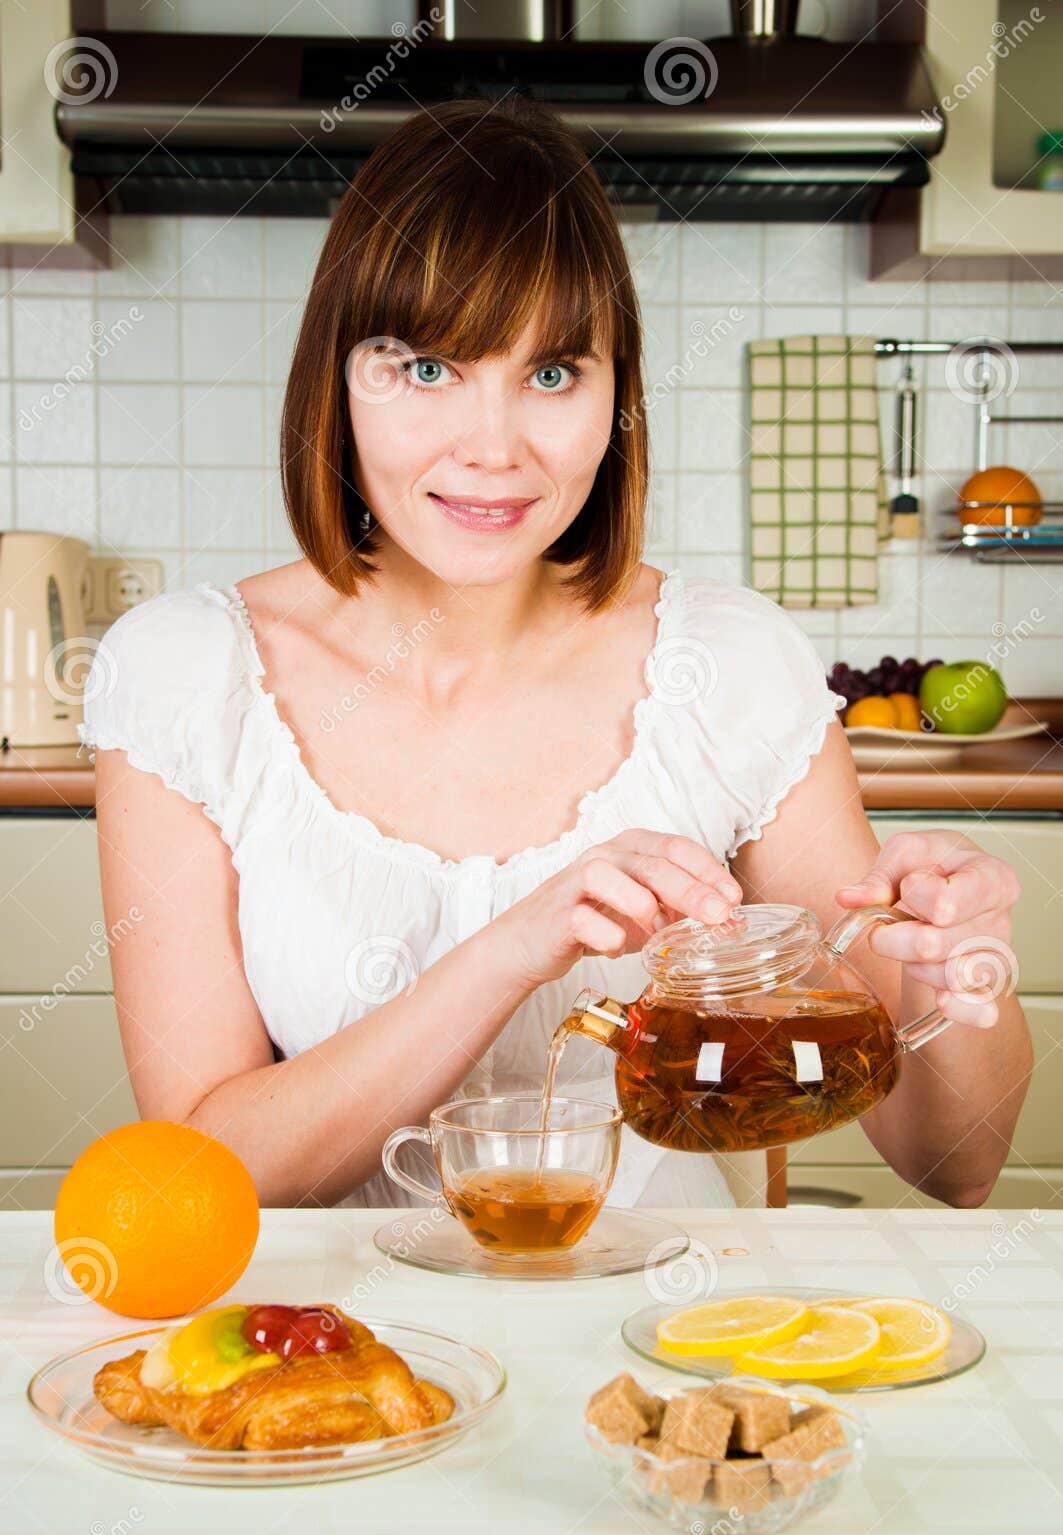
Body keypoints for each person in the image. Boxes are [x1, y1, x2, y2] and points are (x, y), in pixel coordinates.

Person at [81, 97, 1031, 1211]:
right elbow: (205, 1179)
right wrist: (507, 950)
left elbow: (953, 1163)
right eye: (427, 369)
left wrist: (958, 969)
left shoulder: (731, 667)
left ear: (613, 393)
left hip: (677, 1360)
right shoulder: (184, 679)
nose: (492, 449)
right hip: (344, 1368)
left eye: (550, 375)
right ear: (337, 382)